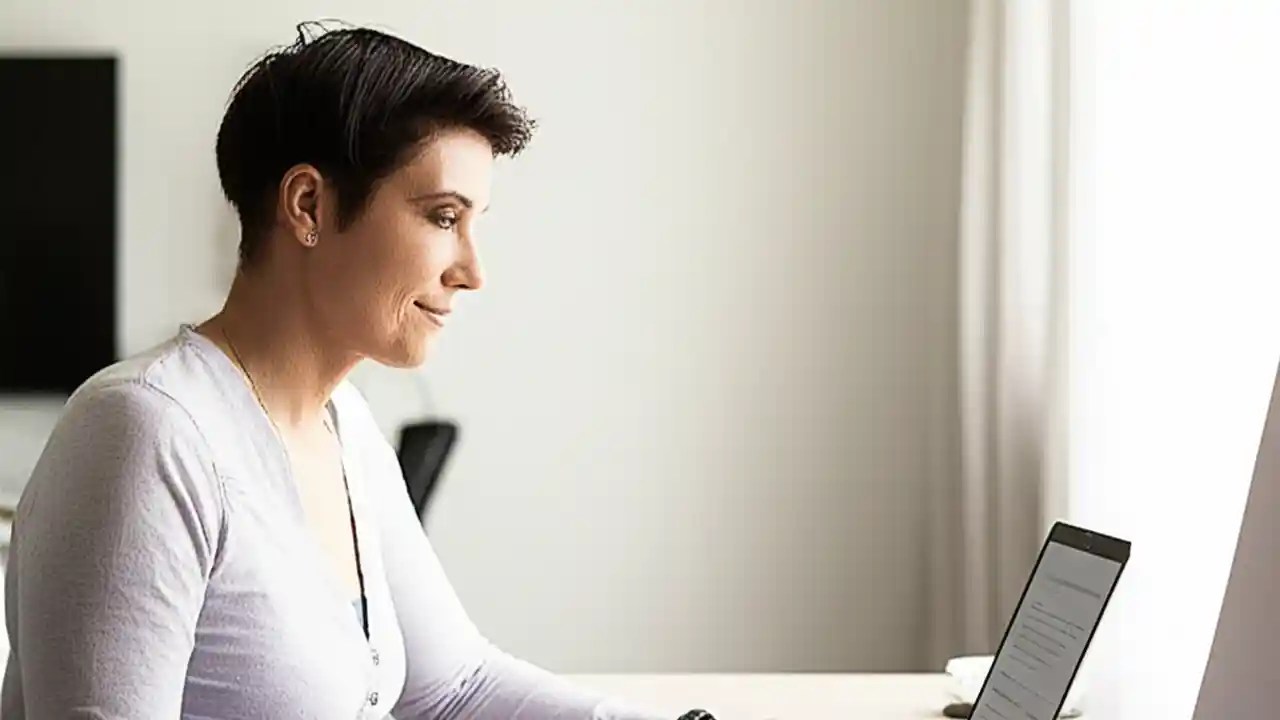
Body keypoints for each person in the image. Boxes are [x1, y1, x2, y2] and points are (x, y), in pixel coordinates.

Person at [1, 23, 710, 720]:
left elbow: (454, 689)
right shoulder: (143, 434)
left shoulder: (345, 427)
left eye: (475, 223)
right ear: (308, 205)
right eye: (442, 217)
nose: (472, 271)